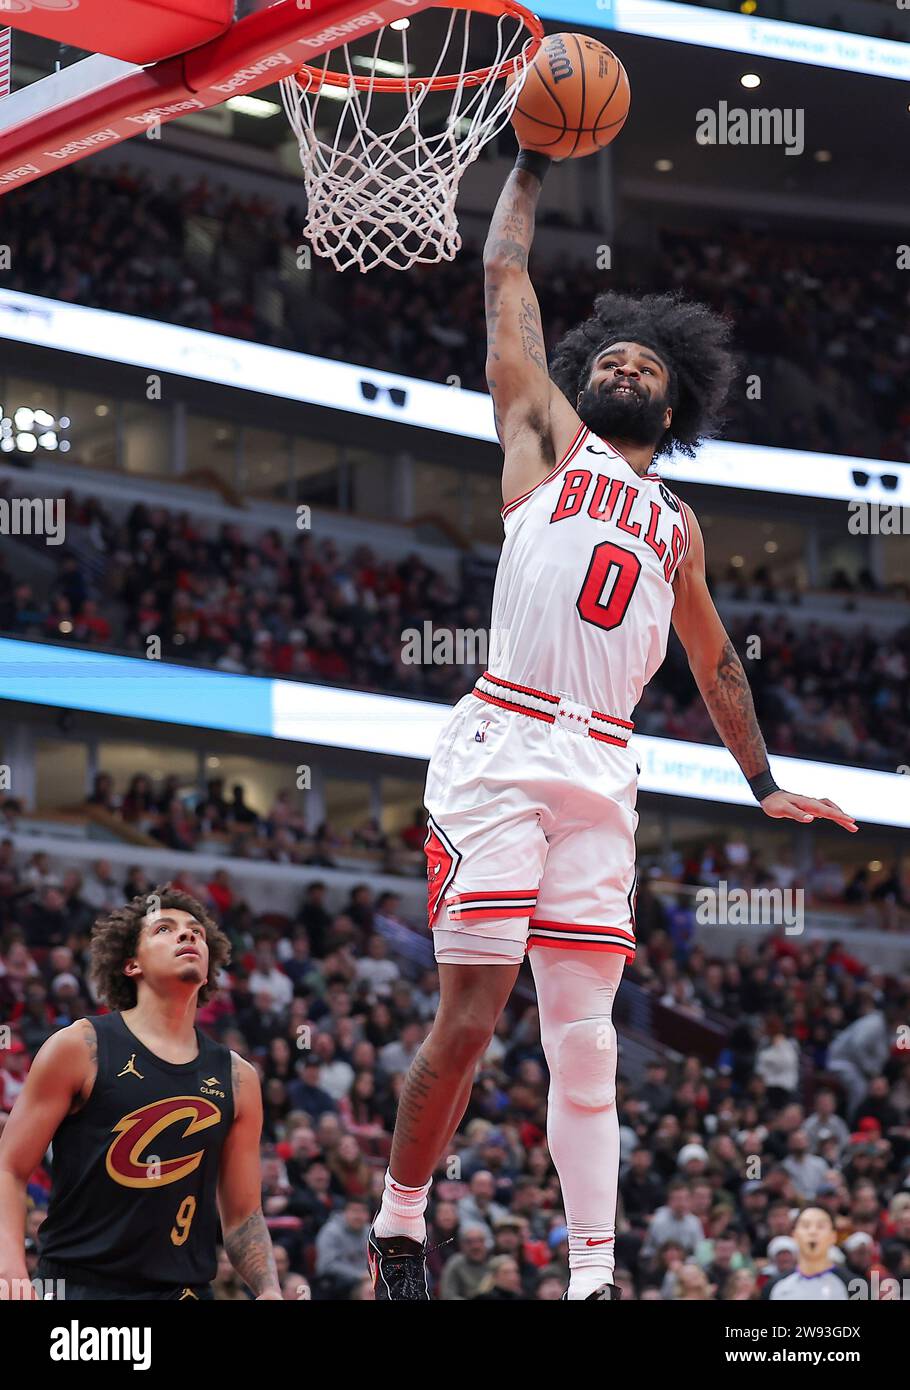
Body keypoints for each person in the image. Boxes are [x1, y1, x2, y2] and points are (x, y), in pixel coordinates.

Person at [367, 149, 857, 1302]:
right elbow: (502, 277)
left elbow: (715, 659)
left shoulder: (677, 525)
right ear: (586, 384)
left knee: (585, 1041)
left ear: (671, 402)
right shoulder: (543, 441)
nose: (626, 364)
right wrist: (531, 162)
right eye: (612, 356)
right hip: (503, 742)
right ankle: (400, 1218)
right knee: (476, 1013)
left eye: (646, 363)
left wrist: (763, 783)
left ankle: (594, 1277)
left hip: (603, 764)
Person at [0, 885, 280, 1300]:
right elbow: (9, 1169)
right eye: (165, 929)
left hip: (184, 1291)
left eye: (197, 932)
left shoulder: (238, 1077)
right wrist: (10, 1271)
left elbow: (243, 1215)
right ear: (131, 964)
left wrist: (269, 1290)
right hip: (80, 1289)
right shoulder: (80, 1046)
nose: (188, 936)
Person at [763, 1207, 850, 1300]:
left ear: (833, 1236)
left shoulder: (855, 1285)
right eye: (805, 1226)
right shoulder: (773, 1286)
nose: (812, 1232)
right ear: (794, 1235)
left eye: (820, 1226)